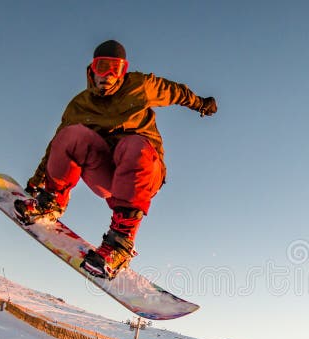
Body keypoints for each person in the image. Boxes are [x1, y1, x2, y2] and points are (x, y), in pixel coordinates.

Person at [15, 39, 217, 279]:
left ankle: (120, 243)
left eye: (116, 69)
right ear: (91, 70)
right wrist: (37, 182)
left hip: (143, 171)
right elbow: (56, 146)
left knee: (133, 145)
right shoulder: (79, 105)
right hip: (107, 173)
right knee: (71, 134)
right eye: (103, 67)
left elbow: (176, 92)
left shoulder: (139, 86)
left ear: (124, 70)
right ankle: (51, 203)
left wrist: (201, 104)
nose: (109, 75)